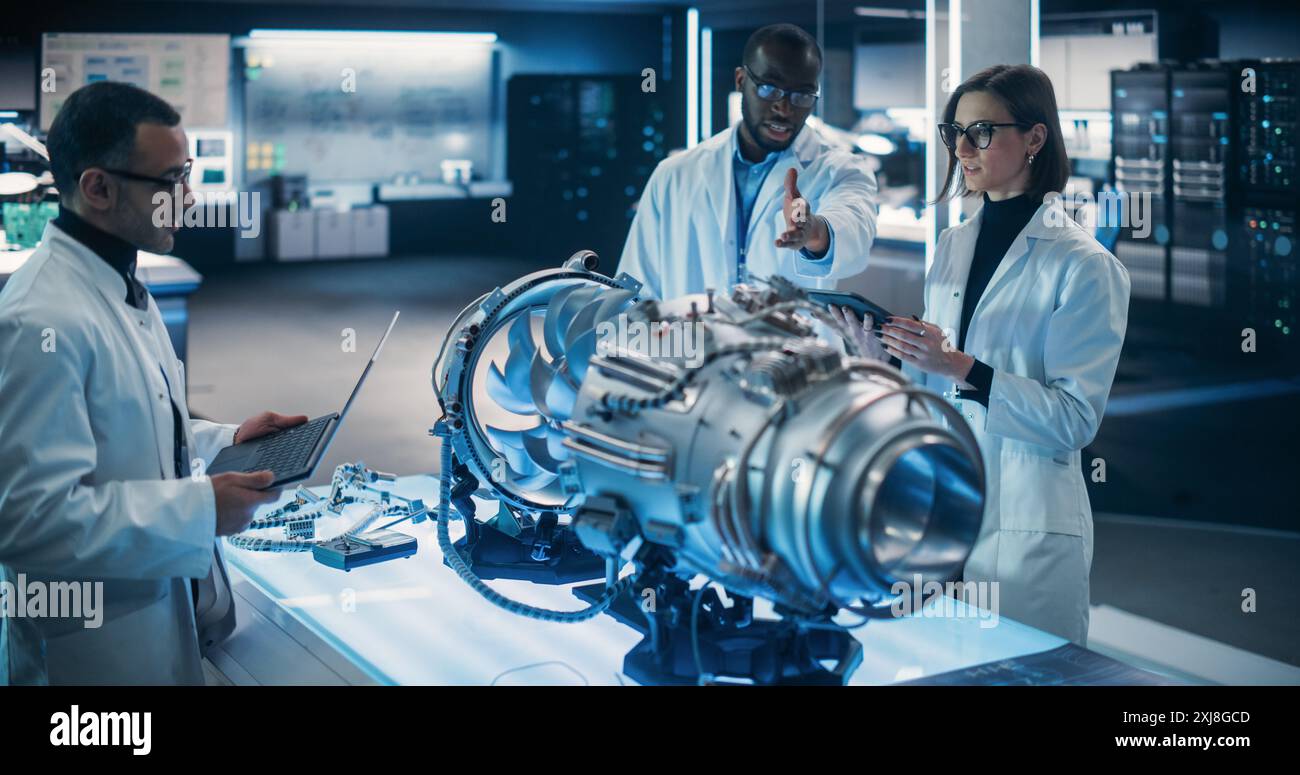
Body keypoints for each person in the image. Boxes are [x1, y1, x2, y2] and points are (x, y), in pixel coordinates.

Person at [0, 81, 306, 684]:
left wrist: (224, 440)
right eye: (170, 182)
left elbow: (124, 430)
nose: (188, 200)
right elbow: (28, 522)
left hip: (148, 621)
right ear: (98, 187)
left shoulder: (120, 287)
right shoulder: (40, 320)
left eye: (186, 175)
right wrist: (199, 510)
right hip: (87, 660)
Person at [837, 64, 1130, 646]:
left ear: (1035, 138)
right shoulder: (953, 244)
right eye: (955, 133)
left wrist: (962, 367)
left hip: (1026, 523)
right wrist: (884, 359)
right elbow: (943, 388)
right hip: (946, 510)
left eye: (982, 132)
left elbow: (1074, 419)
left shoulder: (1085, 267)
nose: (963, 149)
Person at [618, 23, 877, 300]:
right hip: (695, 341)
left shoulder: (842, 171)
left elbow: (854, 226)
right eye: (769, 89)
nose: (784, 108)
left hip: (793, 343)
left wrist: (813, 231)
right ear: (741, 80)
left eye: (802, 95)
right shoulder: (673, 175)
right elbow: (635, 288)